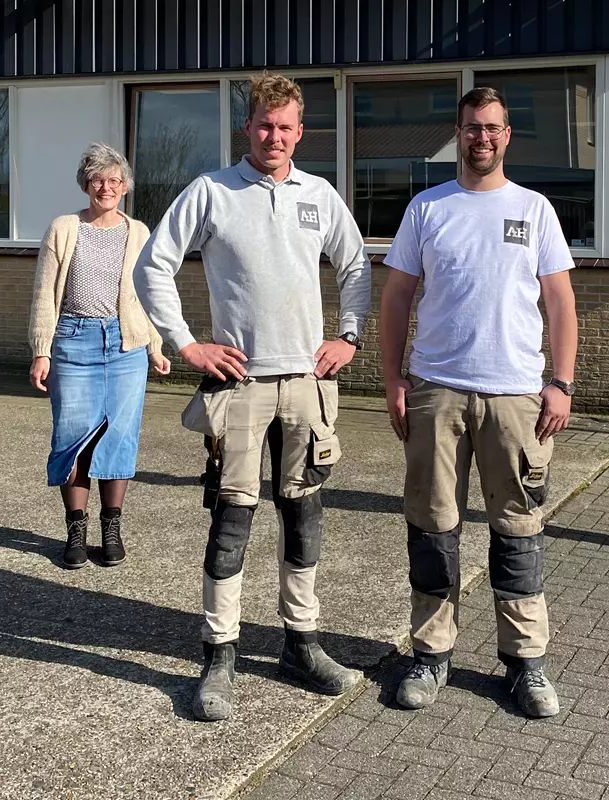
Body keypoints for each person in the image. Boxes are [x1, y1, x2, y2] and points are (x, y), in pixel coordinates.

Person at [133, 72, 370, 722]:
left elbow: (356, 264)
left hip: (307, 383)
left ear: (300, 132)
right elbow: (153, 264)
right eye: (264, 124)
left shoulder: (318, 195)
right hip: (237, 385)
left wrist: (349, 336)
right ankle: (220, 654)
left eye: (285, 126)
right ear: (248, 127)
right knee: (232, 519)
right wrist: (187, 344)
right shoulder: (212, 191)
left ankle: (302, 644)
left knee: (303, 514)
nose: (274, 136)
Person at [379, 87, 578, 718]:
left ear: (507, 134)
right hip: (436, 391)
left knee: (518, 530)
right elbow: (396, 297)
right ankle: (431, 654)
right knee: (433, 527)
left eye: (492, 127)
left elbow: (560, 303)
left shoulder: (534, 209)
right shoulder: (428, 208)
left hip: (517, 396)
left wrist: (561, 382)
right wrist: (392, 378)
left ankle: (526, 662)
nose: (481, 137)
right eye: (471, 127)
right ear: (458, 133)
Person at [28, 143, 170, 570]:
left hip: (126, 346)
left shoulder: (139, 232)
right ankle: (76, 529)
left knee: (120, 437)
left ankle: (112, 527)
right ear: (85, 184)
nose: (105, 187)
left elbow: (150, 294)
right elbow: (44, 294)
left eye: (113, 180)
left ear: (125, 187)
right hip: (73, 341)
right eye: (97, 180)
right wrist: (41, 351)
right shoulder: (64, 228)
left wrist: (155, 345)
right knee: (73, 438)